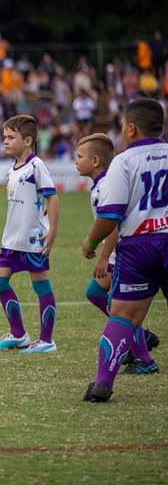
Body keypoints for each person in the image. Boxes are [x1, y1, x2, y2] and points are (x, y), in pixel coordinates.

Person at [82, 98, 168, 402]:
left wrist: (92, 243)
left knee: (122, 316)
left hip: (138, 245)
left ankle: (102, 384)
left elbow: (111, 214)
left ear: (130, 128)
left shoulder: (124, 161)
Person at [74, 133, 160, 375]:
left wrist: (103, 256)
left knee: (117, 303)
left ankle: (143, 358)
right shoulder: (100, 185)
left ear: (95, 161)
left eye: (79, 157)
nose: (75, 161)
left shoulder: (106, 187)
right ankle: (140, 334)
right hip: (119, 251)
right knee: (95, 292)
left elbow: (113, 223)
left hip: (123, 252)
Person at [0, 115, 60, 353]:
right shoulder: (13, 168)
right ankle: (19, 334)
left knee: (41, 286)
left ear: (28, 140)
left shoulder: (36, 166)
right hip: (11, 239)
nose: (5, 141)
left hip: (33, 239)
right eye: (4, 137)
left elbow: (52, 198)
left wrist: (51, 231)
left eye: (11, 137)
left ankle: (47, 340)